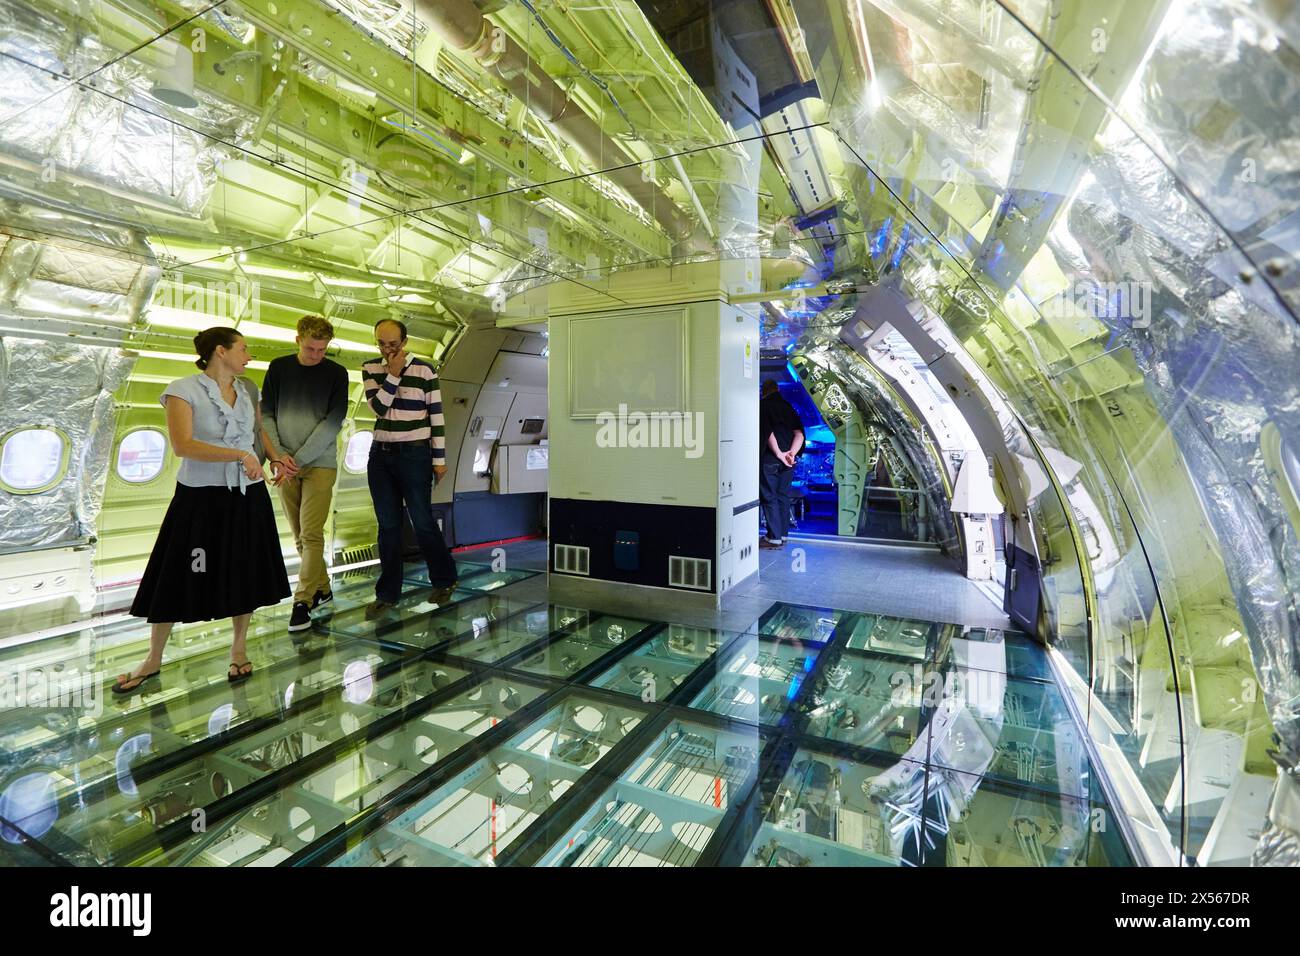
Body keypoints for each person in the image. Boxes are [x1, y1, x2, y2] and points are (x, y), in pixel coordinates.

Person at [113, 327, 291, 694]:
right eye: (243, 349)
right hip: (201, 500)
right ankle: (153, 657)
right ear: (220, 351)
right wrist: (240, 455)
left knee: (245, 573)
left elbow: (257, 432)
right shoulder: (182, 390)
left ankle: (238, 647)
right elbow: (183, 445)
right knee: (181, 571)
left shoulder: (249, 389)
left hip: (247, 496)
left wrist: (275, 459)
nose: (249, 355)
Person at [361, 318, 457, 619]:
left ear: (404, 341)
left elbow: (436, 419)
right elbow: (378, 409)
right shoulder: (370, 368)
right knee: (387, 526)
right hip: (381, 454)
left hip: (415, 454)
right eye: (381, 343)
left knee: (422, 521)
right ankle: (387, 594)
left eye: (393, 344)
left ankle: (444, 580)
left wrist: (439, 461)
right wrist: (392, 374)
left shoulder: (426, 370)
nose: (387, 350)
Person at [261, 315, 350, 633]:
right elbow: (266, 414)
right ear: (297, 340)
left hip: (319, 464)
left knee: (312, 534)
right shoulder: (278, 368)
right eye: (312, 348)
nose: (316, 355)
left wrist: (295, 459)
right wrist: (278, 457)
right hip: (285, 464)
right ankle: (322, 590)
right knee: (300, 537)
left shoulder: (337, 374)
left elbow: (332, 423)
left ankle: (301, 602)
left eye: (322, 350)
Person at [759, 378, 804, 549]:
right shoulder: (788, 407)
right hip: (788, 462)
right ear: (777, 389)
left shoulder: (763, 406)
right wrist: (791, 453)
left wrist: (779, 453)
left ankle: (773, 537)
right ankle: (783, 535)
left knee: (769, 497)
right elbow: (799, 434)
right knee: (783, 496)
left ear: (764, 391)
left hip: (770, 460)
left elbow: (767, 432)